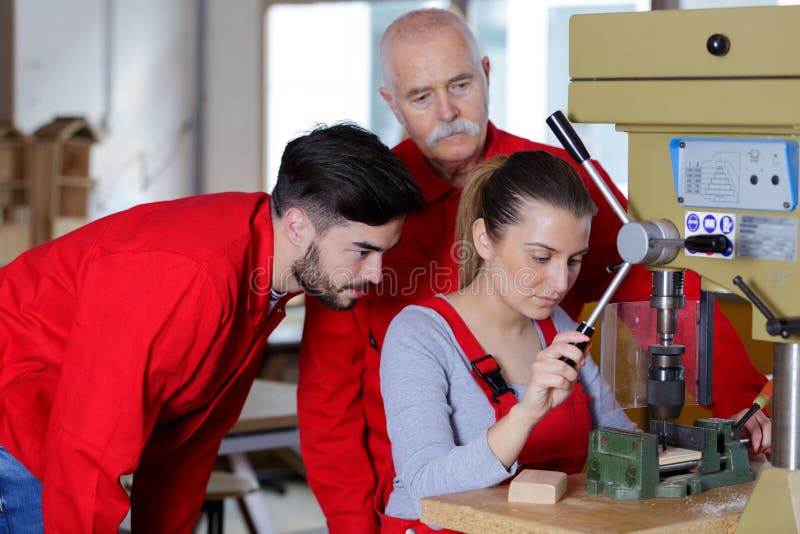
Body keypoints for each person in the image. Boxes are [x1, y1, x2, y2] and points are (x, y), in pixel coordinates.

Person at [297, 9, 770, 533]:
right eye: (421, 96)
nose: (449, 111)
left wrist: (741, 410)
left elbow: (651, 285)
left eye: (460, 83)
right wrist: (353, 526)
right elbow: (329, 395)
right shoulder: (369, 210)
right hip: (429, 500)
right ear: (392, 102)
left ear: (485, 72)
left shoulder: (558, 189)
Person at [0, 123, 424, 533]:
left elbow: (186, 445)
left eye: (385, 252)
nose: (375, 273)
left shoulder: (263, 277)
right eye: (361, 251)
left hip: (53, 423)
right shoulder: (191, 276)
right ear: (297, 226)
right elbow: (88, 448)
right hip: (16, 409)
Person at [379, 151, 635, 530]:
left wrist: (716, 446)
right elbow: (423, 487)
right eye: (540, 257)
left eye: (574, 260)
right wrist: (526, 414)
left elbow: (625, 445)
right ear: (484, 240)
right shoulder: (419, 335)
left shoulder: (557, 326)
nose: (561, 283)